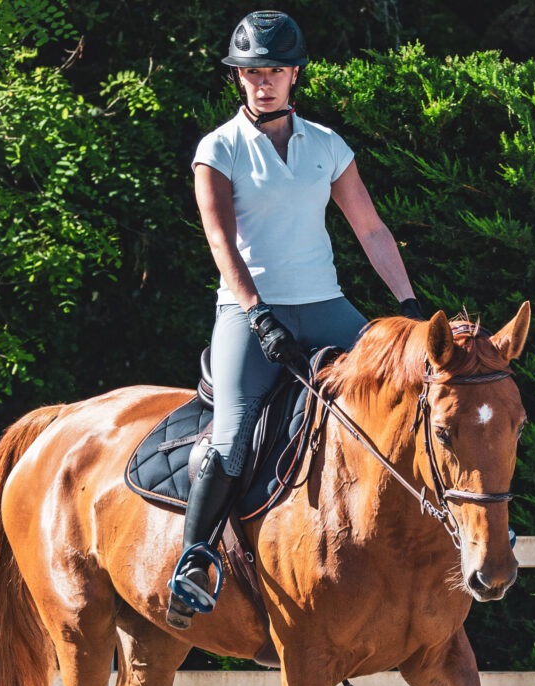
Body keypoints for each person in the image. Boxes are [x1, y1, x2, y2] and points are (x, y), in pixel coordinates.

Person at [167, 10, 426, 630]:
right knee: (231, 432)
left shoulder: (327, 145)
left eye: (274, 70)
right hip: (248, 310)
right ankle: (193, 561)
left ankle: (458, 524)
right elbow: (219, 240)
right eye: (252, 72)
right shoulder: (218, 148)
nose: (263, 82)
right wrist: (256, 313)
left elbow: (370, 228)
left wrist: (410, 307)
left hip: (327, 305)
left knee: (418, 383)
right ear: (239, 78)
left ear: (294, 74)